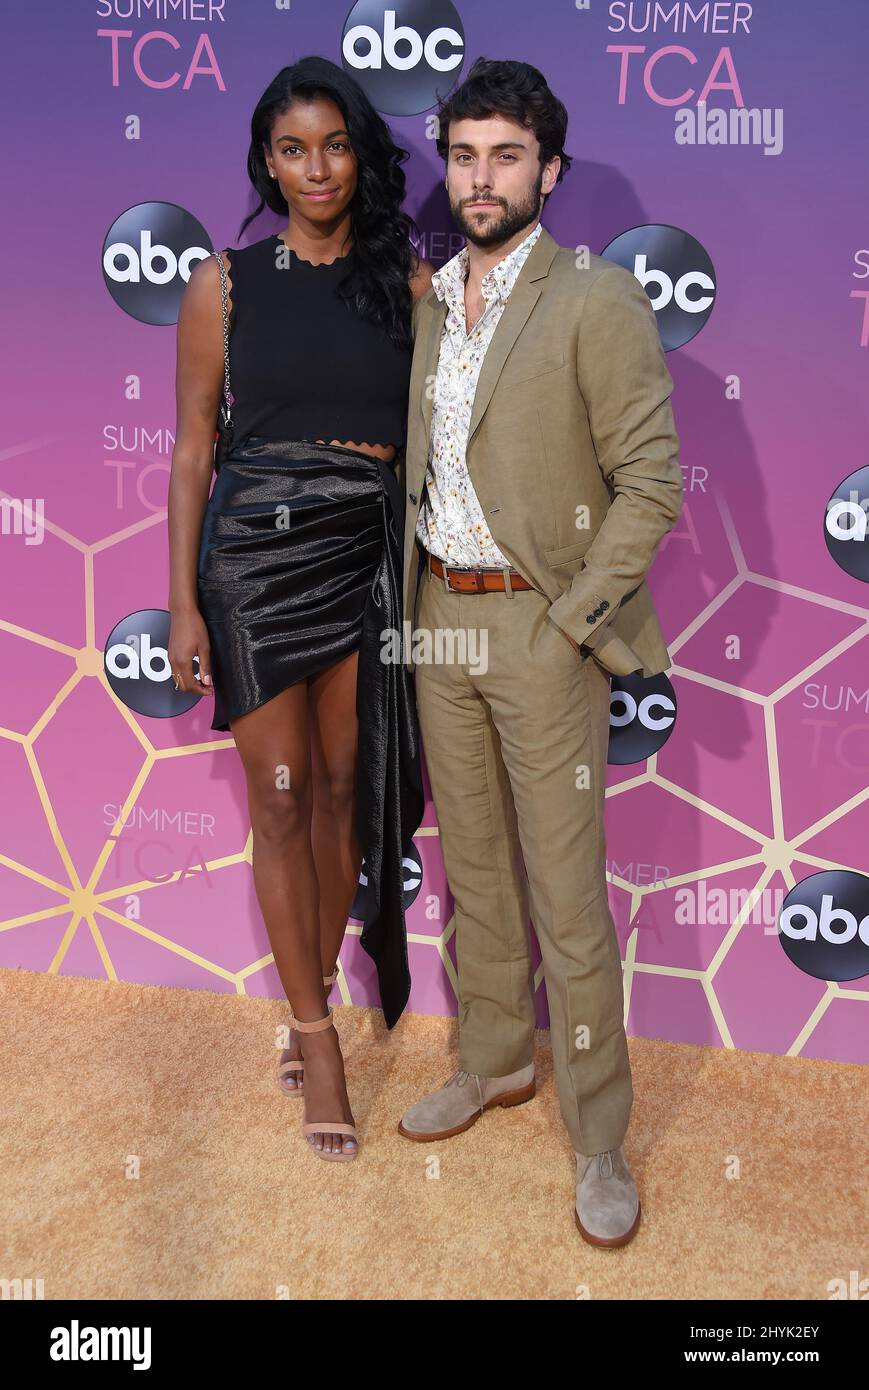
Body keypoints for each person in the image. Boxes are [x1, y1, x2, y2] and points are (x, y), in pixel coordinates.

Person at [397, 59, 682, 1242]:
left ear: (547, 171)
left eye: (504, 155)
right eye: (463, 154)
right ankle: (495, 1058)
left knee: (568, 897)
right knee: (472, 865)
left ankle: (600, 1134)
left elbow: (650, 483)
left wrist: (570, 620)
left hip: (537, 623)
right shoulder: (426, 299)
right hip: (435, 615)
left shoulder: (594, 299)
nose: (479, 177)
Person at [168, 56, 431, 1162]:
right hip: (253, 562)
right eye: (291, 148)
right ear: (264, 161)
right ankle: (316, 1033)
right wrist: (179, 602)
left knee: (338, 795)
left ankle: (311, 983)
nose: (314, 168)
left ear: (358, 155)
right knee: (277, 800)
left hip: (363, 553)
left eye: (332, 145)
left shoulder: (406, 282)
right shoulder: (222, 284)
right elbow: (190, 451)